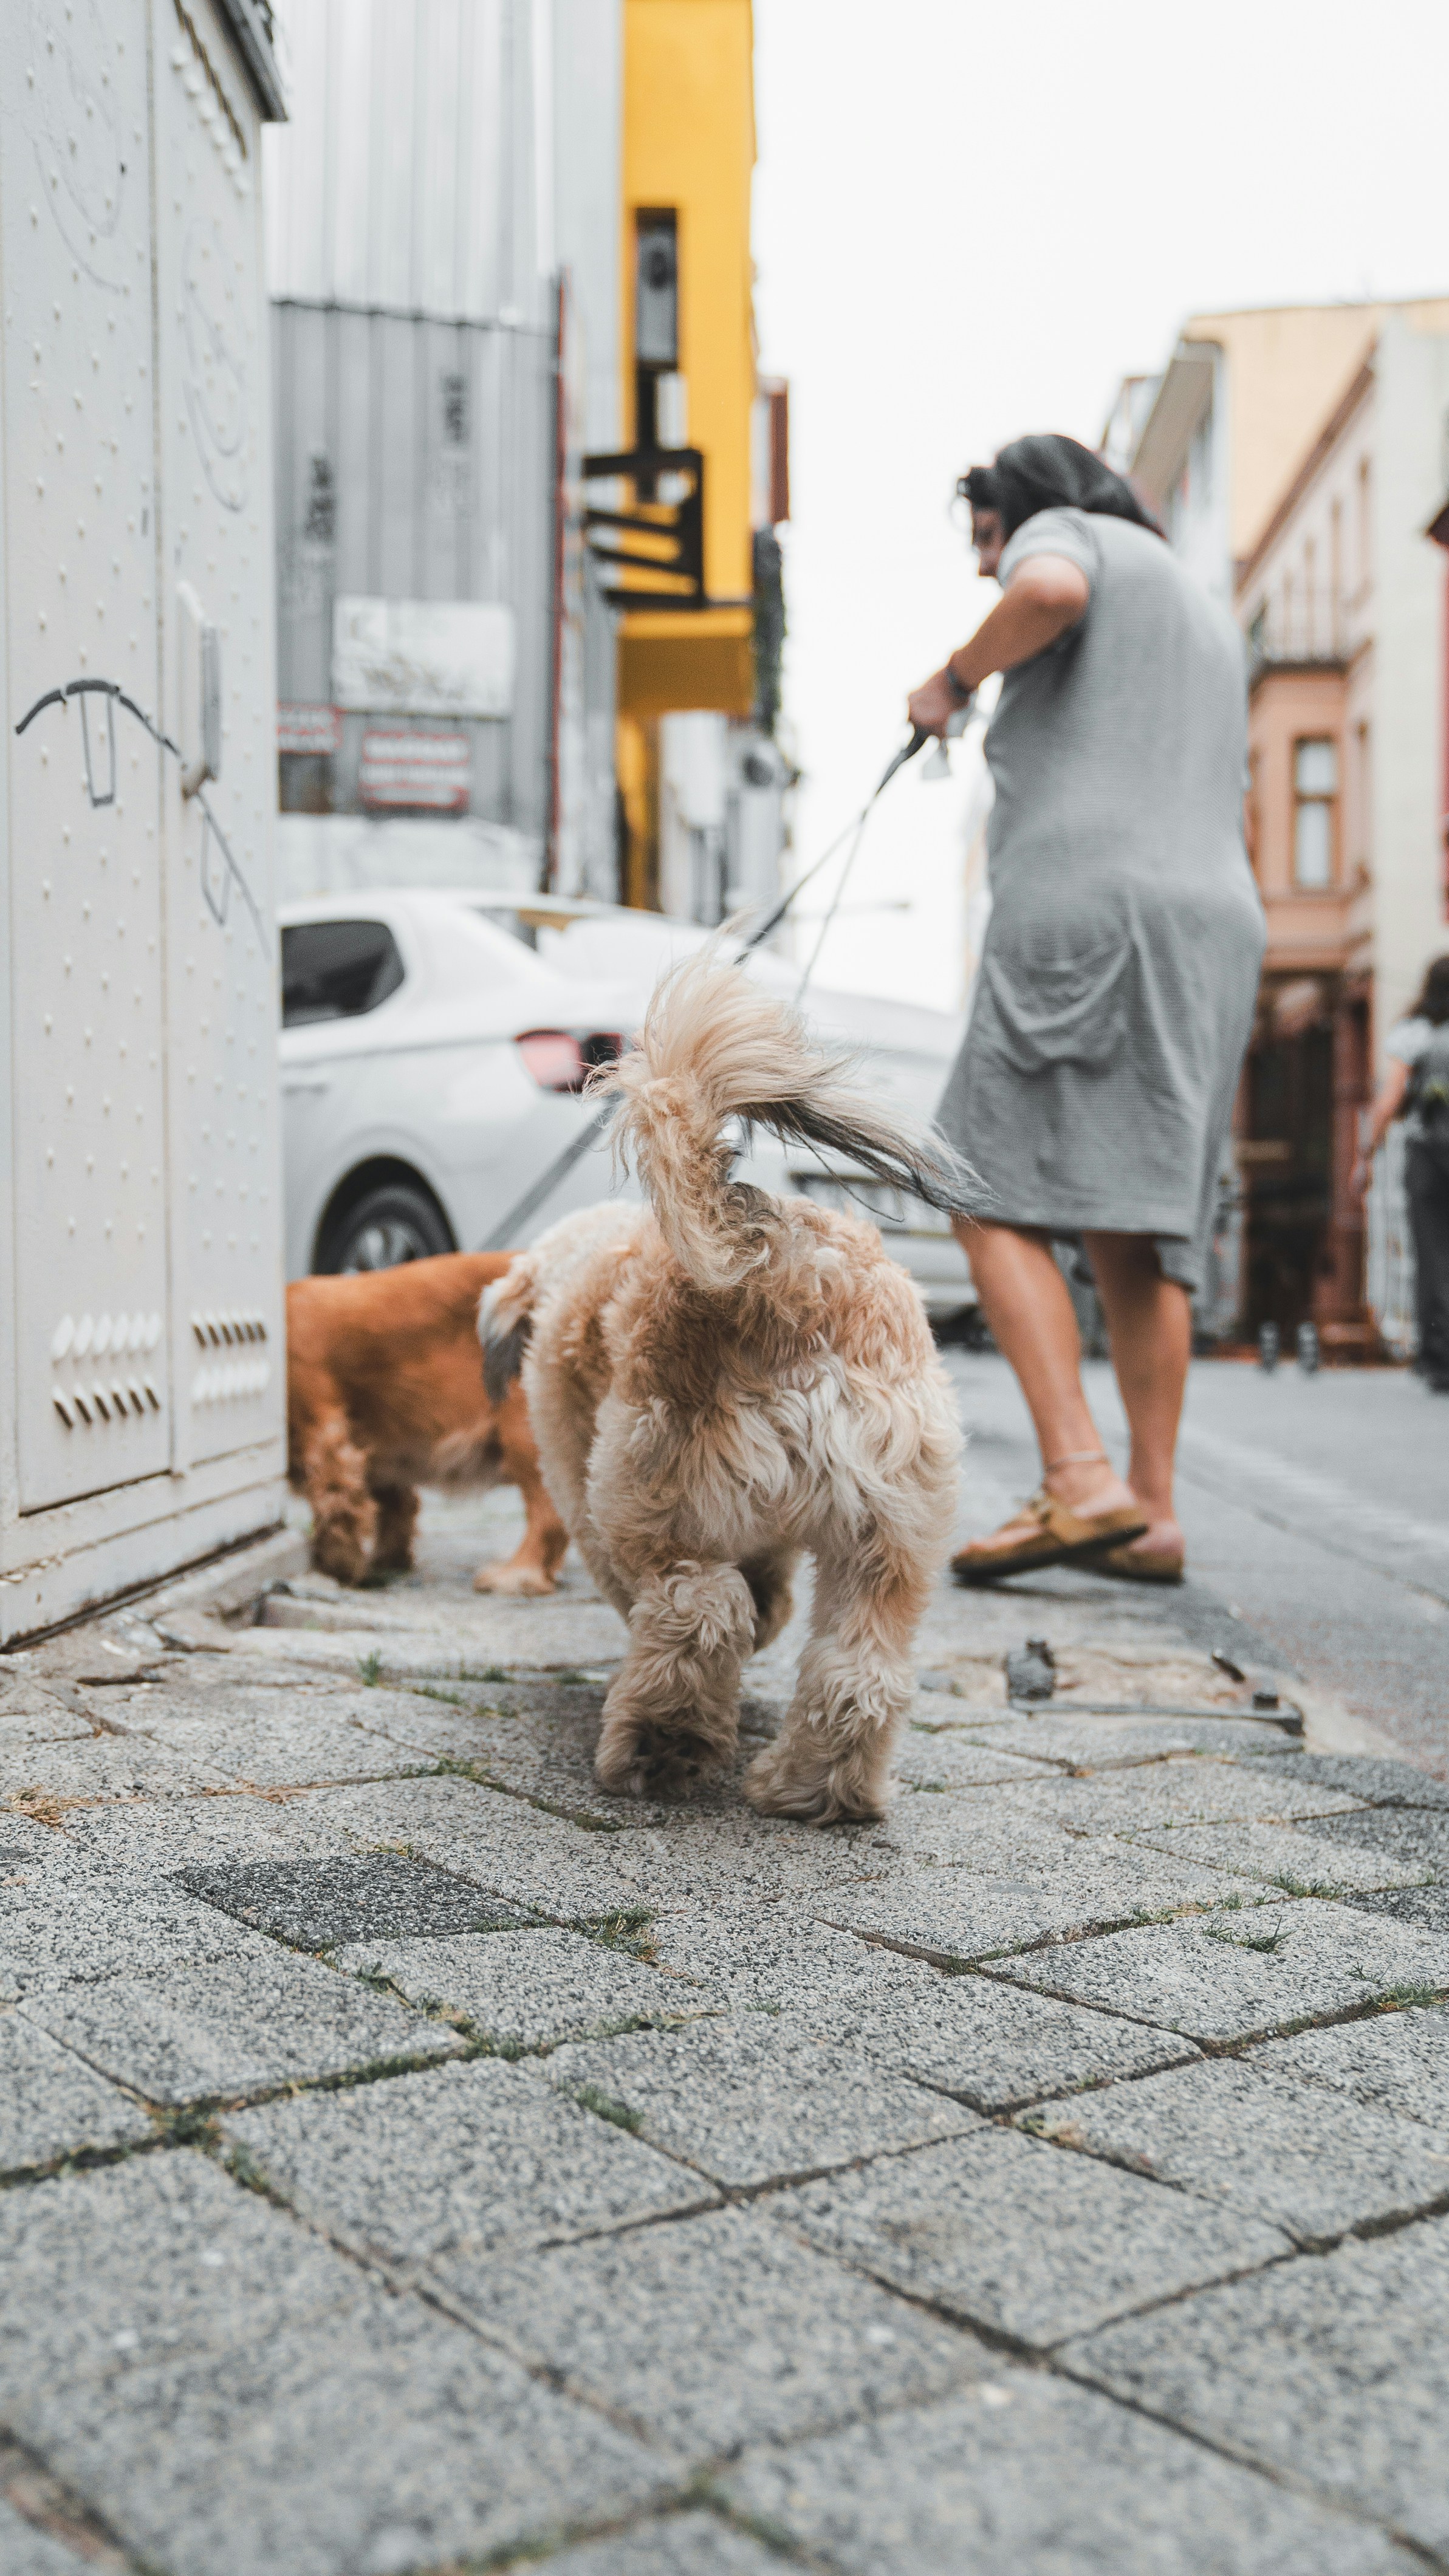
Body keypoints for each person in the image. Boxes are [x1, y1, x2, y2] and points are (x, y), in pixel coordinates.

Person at [909, 433, 1265, 1584]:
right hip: (1215, 923)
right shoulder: (1201, 608)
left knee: (967, 1171)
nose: (987, 569)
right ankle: (1147, 1514)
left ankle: (1075, 1475)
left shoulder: (1070, 542)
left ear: (1029, 506)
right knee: (1140, 1220)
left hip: (1086, 910)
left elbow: (1048, 589)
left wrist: (954, 682)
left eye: (986, 538)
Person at [1353, 954, 1449, 1392]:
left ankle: (1436, 1356)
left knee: (1430, 1254)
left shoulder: (1413, 1033)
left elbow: (1389, 1101)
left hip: (1428, 1157)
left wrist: (1364, 1155)